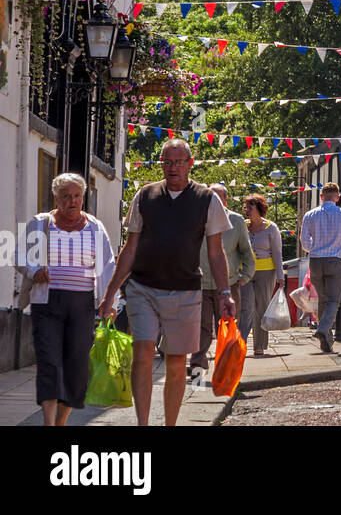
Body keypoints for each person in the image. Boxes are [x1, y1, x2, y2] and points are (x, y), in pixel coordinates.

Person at [98, 139, 234, 426]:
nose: (173, 168)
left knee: (175, 361)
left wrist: (225, 293)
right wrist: (110, 294)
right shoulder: (145, 196)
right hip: (143, 286)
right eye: (167, 162)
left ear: (190, 163)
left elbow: (215, 253)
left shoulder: (207, 200)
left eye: (179, 162)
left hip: (185, 290)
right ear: (161, 163)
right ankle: (143, 423)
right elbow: (129, 248)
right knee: (143, 350)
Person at [19, 174, 118, 426]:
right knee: (49, 363)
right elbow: (20, 255)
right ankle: (49, 423)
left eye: (76, 196)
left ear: (82, 198)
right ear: (56, 198)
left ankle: (61, 422)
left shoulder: (95, 227)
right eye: (66, 196)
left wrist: (110, 302)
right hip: (47, 303)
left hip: (82, 304)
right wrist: (33, 270)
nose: (72, 201)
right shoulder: (40, 224)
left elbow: (107, 266)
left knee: (76, 368)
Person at [190, 184, 255, 373]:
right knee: (201, 331)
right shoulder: (195, 219)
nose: (213, 202)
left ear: (226, 200)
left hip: (228, 285)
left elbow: (247, 253)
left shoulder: (236, 221)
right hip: (200, 285)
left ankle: (226, 372)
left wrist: (244, 277)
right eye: (210, 198)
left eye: (218, 198)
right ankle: (197, 371)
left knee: (227, 329)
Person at [298, 182, 341, 353]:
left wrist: (315, 249)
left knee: (323, 300)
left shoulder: (310, 215)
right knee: (334, 300)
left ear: (321, 196)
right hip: (335, 260)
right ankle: (323, 330)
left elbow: (304, 242)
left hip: (316, 261)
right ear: (338, 198)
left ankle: (326, 343)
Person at [240, 194, 284, 356]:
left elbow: (277, 253)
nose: (247, 210)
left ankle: (259, 346)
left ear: (259, 209)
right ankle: (241, 343)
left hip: (266, 272)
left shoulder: (271, 228)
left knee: (261, 308)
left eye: (250, 207)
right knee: (246, 308)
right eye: (246, 207)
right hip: (245, 271)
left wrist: (281, 277)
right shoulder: (242, 226)